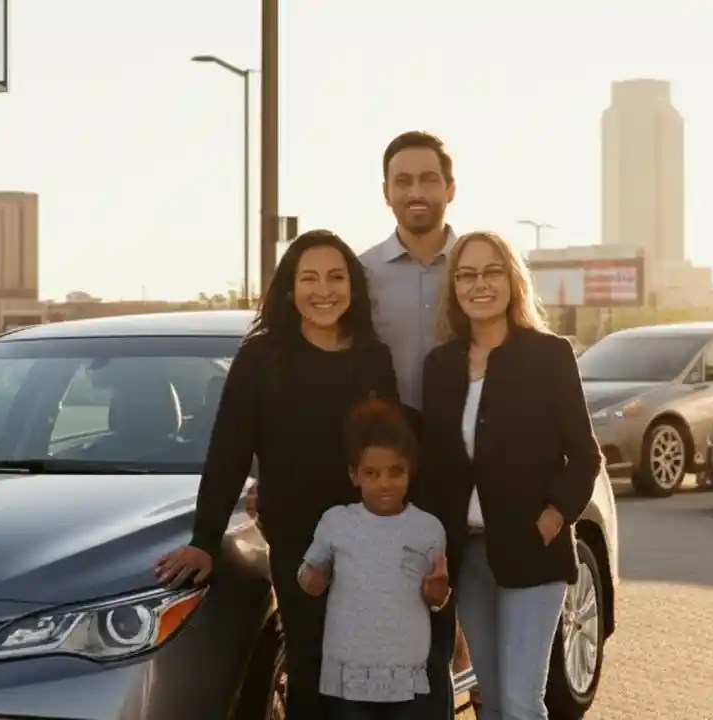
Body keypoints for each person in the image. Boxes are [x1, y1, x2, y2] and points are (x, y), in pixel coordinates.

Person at [246, 130, 465, 718]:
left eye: (427, 179)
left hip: (453, 472)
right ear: (386, 192)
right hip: (376, 480)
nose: (415, 191)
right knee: (346, 647)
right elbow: (297, 388)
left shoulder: (474, 269)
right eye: (402, 180)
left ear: (450, 186)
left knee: (433, 642)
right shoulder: (357, 275)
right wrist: (265, 474)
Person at [155, 229, 404, 720]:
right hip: (295, 540)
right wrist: (204, 539)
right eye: (309, 278)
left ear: (352, 286)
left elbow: (389, 453)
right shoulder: (262, 357)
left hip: (368, 538)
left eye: (336, 277)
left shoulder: (372, 356)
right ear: (290, 288)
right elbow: (229, 449)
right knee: (310, 673)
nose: (324, 289)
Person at [420, 231, 601, 720]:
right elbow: (434, 467)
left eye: (492, 271)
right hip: (470, 558)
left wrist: (554, 516)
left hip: (534, 554)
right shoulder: (439, 366)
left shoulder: (549, 356)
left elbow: (585, 456)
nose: (480, 284)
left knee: (522, 702)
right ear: (454, 287)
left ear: (512, 280)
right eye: (466, 274)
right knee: (494, 702)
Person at [298, 397, 450, 720]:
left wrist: (438, 593)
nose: (385, 483)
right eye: (372, 473)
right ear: (354, 475)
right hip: (348, 678)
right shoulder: (336, 522)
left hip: (406, 676)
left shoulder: (428, 529)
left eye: (396, 472)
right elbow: (308, 580)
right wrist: (313, 579)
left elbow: (436, 600)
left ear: (410, 472)